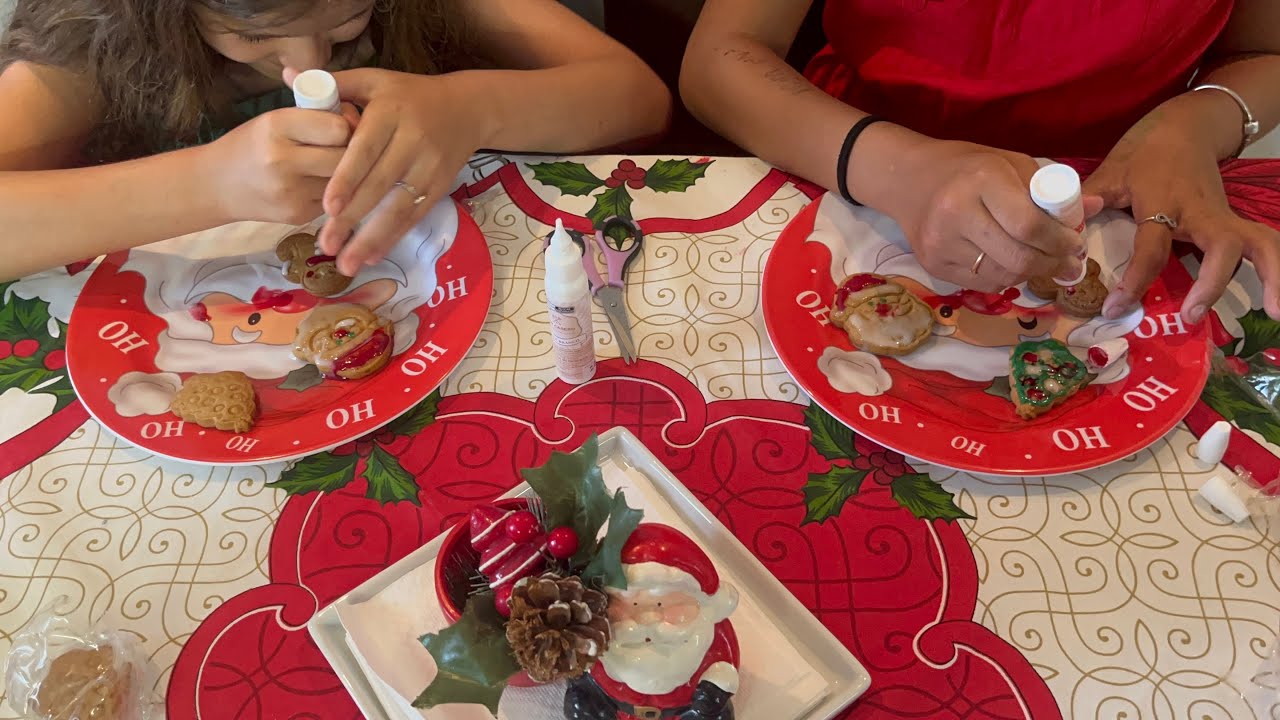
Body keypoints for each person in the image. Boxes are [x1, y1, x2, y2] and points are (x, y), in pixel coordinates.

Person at [680, 0, 1280, 324]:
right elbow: (719, 58)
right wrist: (900, 170)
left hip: (1124, 205)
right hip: (848, 163)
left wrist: (1197, 123)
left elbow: (1264, 49)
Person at [0, 0, 670, 281]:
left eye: (349, 15)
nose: (308, 58)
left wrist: (474, 104)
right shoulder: (96, 38)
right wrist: (207, 183)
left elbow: (637, 98)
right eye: (257, 34)